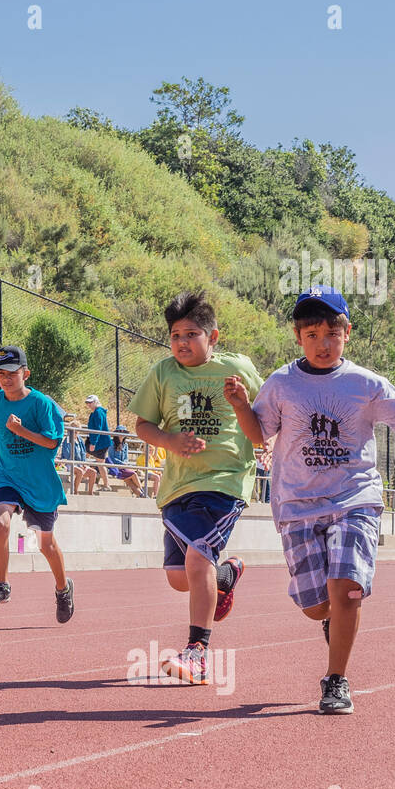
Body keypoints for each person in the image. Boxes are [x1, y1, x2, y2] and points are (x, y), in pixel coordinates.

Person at [225, 284, 395, 715]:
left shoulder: (365, 383)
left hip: (354, 498)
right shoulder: (282, 383)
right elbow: (259, 434)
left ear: (347, 332)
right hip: (298, 503)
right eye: (313, 335)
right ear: (299, 337)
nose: (323, 344)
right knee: (318, 605)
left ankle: (336, 679)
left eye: (331, 334)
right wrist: (243, 405)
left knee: (348, 589)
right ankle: (331, 621)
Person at [131, 291, 264, 685]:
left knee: (195, 557)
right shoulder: (163, 373)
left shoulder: (236, 367)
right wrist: (171, 441)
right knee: (177, 576)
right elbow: (142, 425)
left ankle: (198, 651)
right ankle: (224, 577)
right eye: (174, 335)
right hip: (177, 486)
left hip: (225, 482)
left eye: (191, 333)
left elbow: (269, 407)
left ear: (213, 336)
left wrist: (254, 418)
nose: (182, 342)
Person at [0, 345, 74, 622]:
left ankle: (63, 589)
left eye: (12, 374)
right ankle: (2, 586)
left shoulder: (41, 404)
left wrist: (20, 430)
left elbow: (52, 441)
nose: (5, 378)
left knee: (45, 545)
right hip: (6, 475)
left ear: (25, 374)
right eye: (1, 373)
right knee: (0, 522)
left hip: (39, 483)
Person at [60, 414, 98, 495]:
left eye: (78, 431)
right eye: (75, 430)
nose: (77, 432)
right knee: (80, 471)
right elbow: (67, 455)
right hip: (69, 463)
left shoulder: (80, 439)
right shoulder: (67, 439)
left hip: (80, 464)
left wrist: (84, 464)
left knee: (93, 472)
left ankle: (90, 493)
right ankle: (75, 491)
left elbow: (83, 453)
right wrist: (78, 465)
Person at [103, 425, 144, 496]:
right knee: (134, 475)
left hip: (123, 467)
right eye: (119, 431)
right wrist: (123, 464)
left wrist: (125, 464)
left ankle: (142, 495)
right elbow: (112, 458)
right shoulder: (112, 443)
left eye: (124, 432)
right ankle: (144, 491)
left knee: (130, 482)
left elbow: (126, 458)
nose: (122, 434)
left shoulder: (126, 445)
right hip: (116, 467)